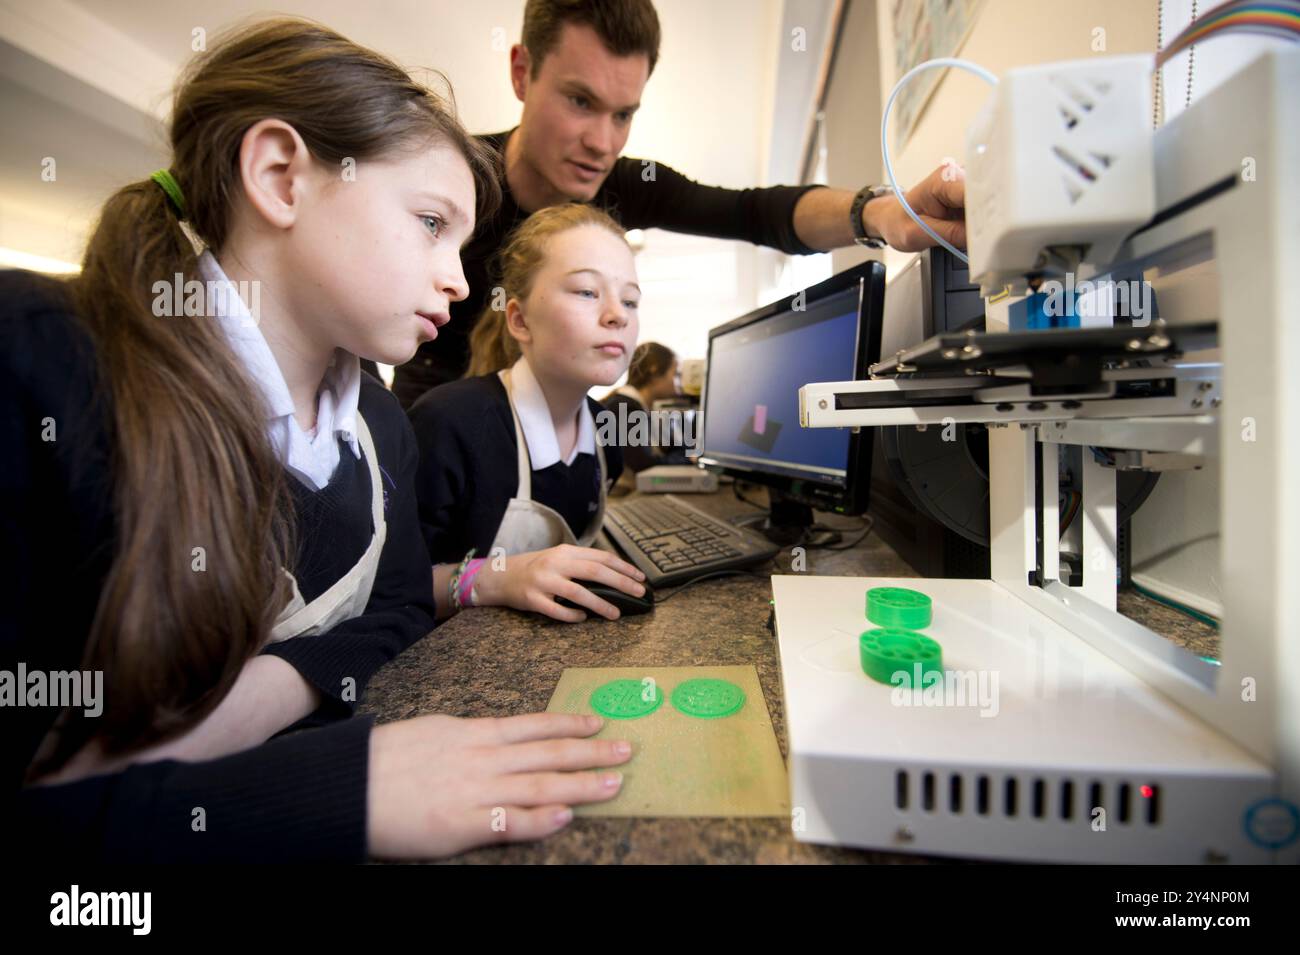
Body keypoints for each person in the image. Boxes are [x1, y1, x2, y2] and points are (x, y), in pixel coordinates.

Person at [2, 18, 631, 863]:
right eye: (430, 222)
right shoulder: (37, 362)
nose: (456, 276)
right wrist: (337, 788)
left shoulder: (377, 432)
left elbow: (399, 603)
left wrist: (250, 702)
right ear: (280, 175)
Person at [389, 0, 969, 407]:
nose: (602, 142)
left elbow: (752, 211)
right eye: (579, 101)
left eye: (623, 114)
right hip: (427, 439)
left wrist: (884, 215)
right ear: (522, 73)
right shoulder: (455, 179)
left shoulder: (628, 184)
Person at [409, 203, 648, 624]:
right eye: (587, 292)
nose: (617, 315)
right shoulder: (450, 423)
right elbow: (387, 588)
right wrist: (495, 578)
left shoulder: (603, 434)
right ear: (519, 320)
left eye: (630, 301)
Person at [601, 342, 688, 474]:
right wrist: (686, 458)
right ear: (654, 371)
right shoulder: (624, 409)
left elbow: (677, 447)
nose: (678, 383)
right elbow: (644, 464)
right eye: (675, 374)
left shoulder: (644, 409)